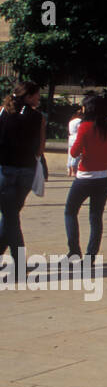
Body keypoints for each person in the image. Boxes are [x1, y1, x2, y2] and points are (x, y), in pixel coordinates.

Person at [64, 95, 107, 259]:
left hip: (86, 176)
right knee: (96, 216)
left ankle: (74, 250)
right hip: (104, 177)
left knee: (70, 211)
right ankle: (91, 255)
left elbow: (74, 151)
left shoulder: (85, 126)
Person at [0, 82, 46, 264]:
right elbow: (40, 149)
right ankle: (18, 263)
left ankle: (18, 264)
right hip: (27, 170)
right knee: (11, 215)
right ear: (28, 96)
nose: (38, 98)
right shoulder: (38, 117)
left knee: (10, 217)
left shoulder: (3, 112)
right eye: (36, 95)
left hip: (5, 169)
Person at [66, 103, 85, 177]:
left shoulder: (71, 121)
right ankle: (74, 170)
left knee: (69, 154)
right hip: (76, 137)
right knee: (76, 154)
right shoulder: (79, 121)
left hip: (71, 137)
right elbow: (80, 129)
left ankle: (69, 170)